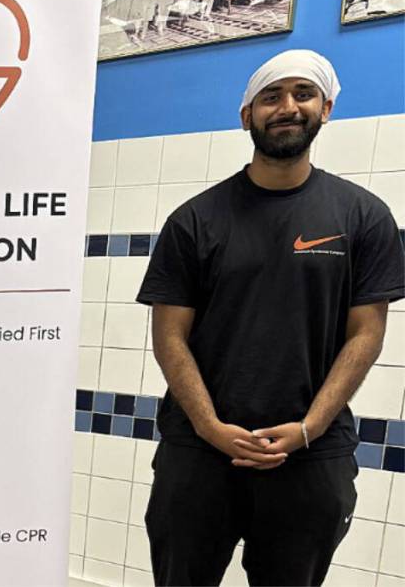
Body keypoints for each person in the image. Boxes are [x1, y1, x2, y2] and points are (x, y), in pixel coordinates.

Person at [136, 49, 404, 587]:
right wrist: (210, 427)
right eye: (271, 97)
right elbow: (169, 336)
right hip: (199, 452)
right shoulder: (195, 221)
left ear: (325, 109)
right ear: (247, 115)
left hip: (310, 454)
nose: (287, 107)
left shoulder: (363, 216)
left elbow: (366, 334)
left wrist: (310, 427)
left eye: (303, 94)